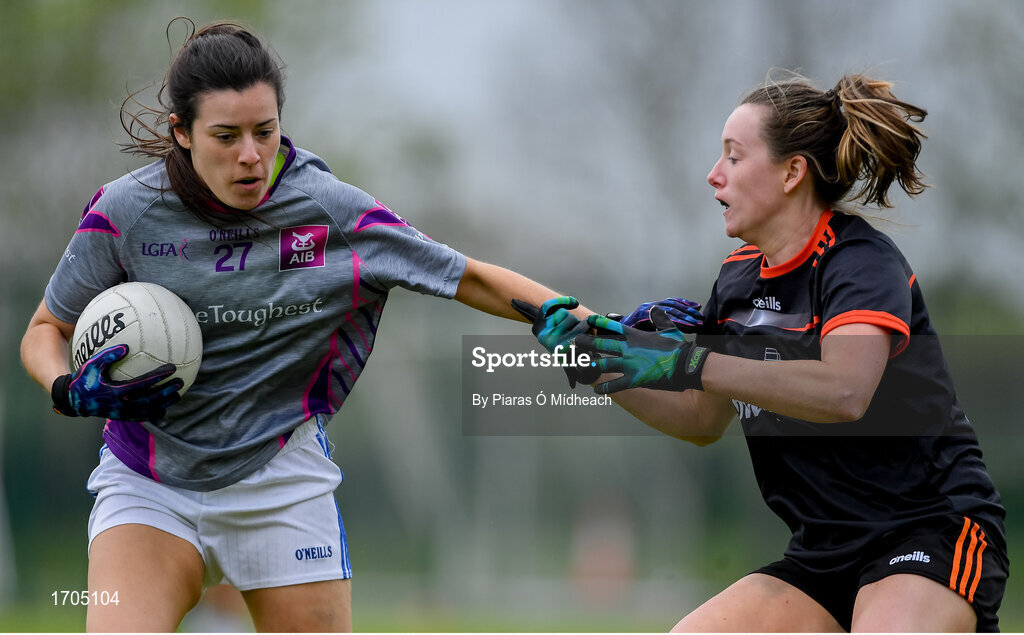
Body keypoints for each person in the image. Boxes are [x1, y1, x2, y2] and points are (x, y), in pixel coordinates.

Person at [19, 19, 590, 632]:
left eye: (265, 132)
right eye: (225, 135)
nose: (250, 155)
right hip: (149, 482)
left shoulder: (328, 211)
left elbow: (467, 276)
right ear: (180, 134)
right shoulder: (125, 211)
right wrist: (65, 388)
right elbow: (46, 328)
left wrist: (589, 326)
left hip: (281, 477)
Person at [525, 72, 1008, 631]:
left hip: (933, 529)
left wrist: (689, 362)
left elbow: (844, 392)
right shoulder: (735, 280)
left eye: (733, 156)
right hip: (824, 551)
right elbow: (702, 418)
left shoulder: (859, 262)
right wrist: (605, 366)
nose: (713, 174)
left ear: (791, 173)